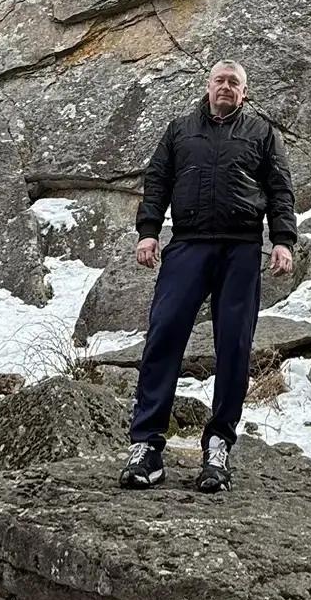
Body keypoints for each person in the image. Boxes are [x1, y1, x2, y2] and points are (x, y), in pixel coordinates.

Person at [120, 59, 298, 494]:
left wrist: (282, 240)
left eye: (234, 83)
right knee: (164, 335)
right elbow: (157, 181)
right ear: (207, 86)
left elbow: (280, 189)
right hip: (188, 245)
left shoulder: (261, 134)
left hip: (239, 248)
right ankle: (147, 447)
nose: (225, 88)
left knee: (234, 345)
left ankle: (218, 445)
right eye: (219, 80)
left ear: (244, 92)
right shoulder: (180, 129)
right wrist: (148, 232)